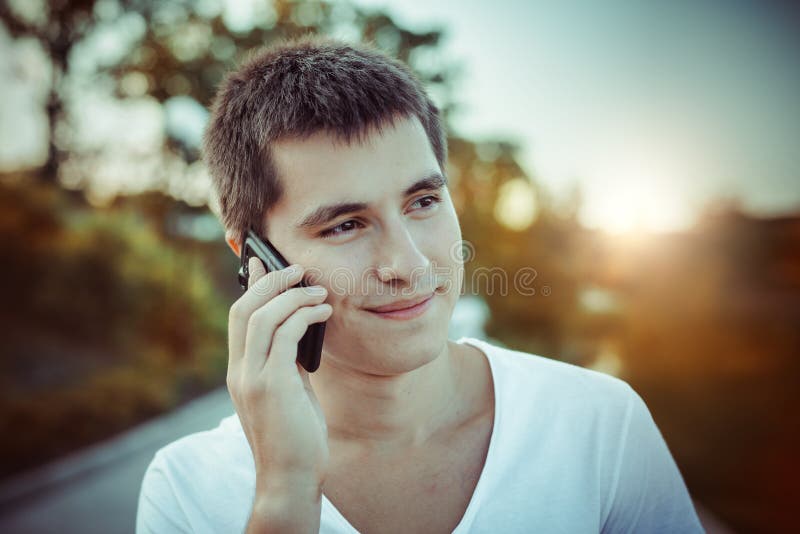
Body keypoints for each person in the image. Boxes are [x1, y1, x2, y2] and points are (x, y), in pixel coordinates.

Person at [136, 35, 704, 533]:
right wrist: (285, 494)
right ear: (254, 258)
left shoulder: (598, 424)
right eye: (346, 225)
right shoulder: (187, 491)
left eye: (424, 201)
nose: (407, 264)